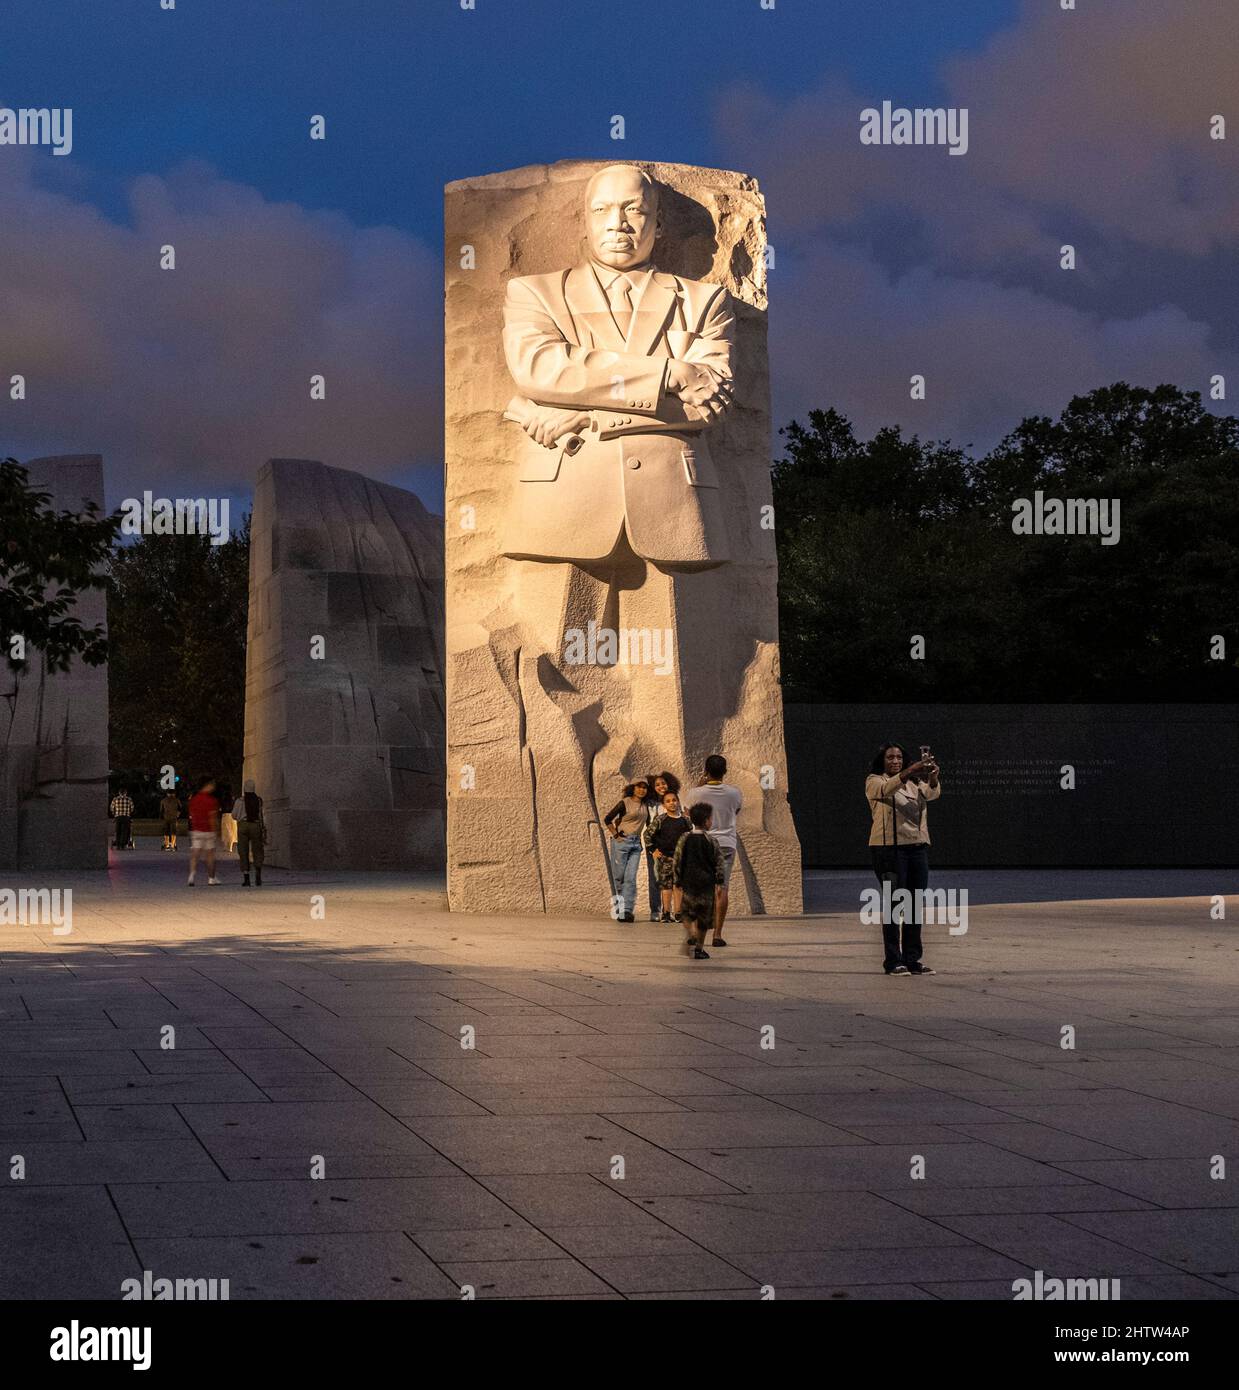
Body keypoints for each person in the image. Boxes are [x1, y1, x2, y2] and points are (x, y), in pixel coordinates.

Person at [865, 744, 942, 976]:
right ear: (883, 760)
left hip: (916, 848)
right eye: (890, 757)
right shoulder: (874, 780)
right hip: (889, 849)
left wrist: (932, 777)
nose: (895, 761)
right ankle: (893, 961)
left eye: (899, 757)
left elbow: (931, 794)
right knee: (895, 905)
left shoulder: (913, 783)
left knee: (914, 905)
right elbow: (886, 790)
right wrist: (910, 770)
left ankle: (912, 959)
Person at [684, 754, 742, 947]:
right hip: (726, 843)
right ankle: (717, 935)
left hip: (702, 842)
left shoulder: (695, 793)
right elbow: (736, 811)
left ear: (706, 771)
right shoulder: (735, 793)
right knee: (721, 888)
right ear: (725, 771)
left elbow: (688, 814)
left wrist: (701, 784)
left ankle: (694, 933)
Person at [673, 803, 724, 959]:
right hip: (706, 885)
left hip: (689, 883)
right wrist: (720, 881)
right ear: (707, 820)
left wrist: (677, 879)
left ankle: (690, 933)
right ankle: (699, 949)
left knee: (688, 913)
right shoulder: (711, 840)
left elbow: (677, 858)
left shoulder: (684, 838)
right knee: (703, 918)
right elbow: (719, 862)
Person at [603, 779, 649, 922]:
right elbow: (608, 819)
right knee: (620, 877)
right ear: (633, 788)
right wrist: (615, 835)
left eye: (644, 787)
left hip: (636, 843)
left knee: (630, 877)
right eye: (638, 787)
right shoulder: (625, 802)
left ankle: (627, 910)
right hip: (622, 842)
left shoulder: (645, 805)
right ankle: (619, 909)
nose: (641, 790)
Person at [641, 772, 681, 920]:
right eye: (657, 785)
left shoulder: (674, 800)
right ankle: (656, 910)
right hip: (655, 845)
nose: (661, 786)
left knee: (674, 879)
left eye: (663, 783)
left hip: (672, 845)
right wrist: (652, 848)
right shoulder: (650, 803)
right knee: (655, 878)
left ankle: (672, 911)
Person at [649, 789, 690, 923]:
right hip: (665, 858)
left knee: (678, 885)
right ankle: (666, 913)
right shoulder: (660, 820)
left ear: (678, 802)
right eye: (668, 801)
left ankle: (678, 913)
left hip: (681, 858)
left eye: (674, 800)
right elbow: (648, 835)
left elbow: (691, 836)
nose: (672, 803)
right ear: (664, 805)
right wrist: (653, 850)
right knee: (666, 886)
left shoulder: (685, 820)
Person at [186, 776, 221, 887]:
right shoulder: (212, 801)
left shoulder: (194, 800)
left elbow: (191, 815)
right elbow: (212, 817)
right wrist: (216, 830)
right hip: (208, 830)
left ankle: (191, 876)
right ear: (208, 785)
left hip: (196, 830)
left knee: (195, 854)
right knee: (210, 855)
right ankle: (211, 878)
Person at [232, 780, 266, 887]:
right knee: (257, 850)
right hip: (255, 825)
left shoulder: (239, 801)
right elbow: (262, 815)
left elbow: (234, 815)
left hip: (243, 826)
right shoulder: (258, 801)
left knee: (243, 851)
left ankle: (246, 878)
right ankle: (258, 873)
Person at [216, 781, 237, 855]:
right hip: (232, 815)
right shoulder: (233, 798)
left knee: (226, 831)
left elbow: (221, 807)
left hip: (225, 815)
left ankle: (225, 846)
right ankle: (230, 847)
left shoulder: (224, 798)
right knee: (231, 830)